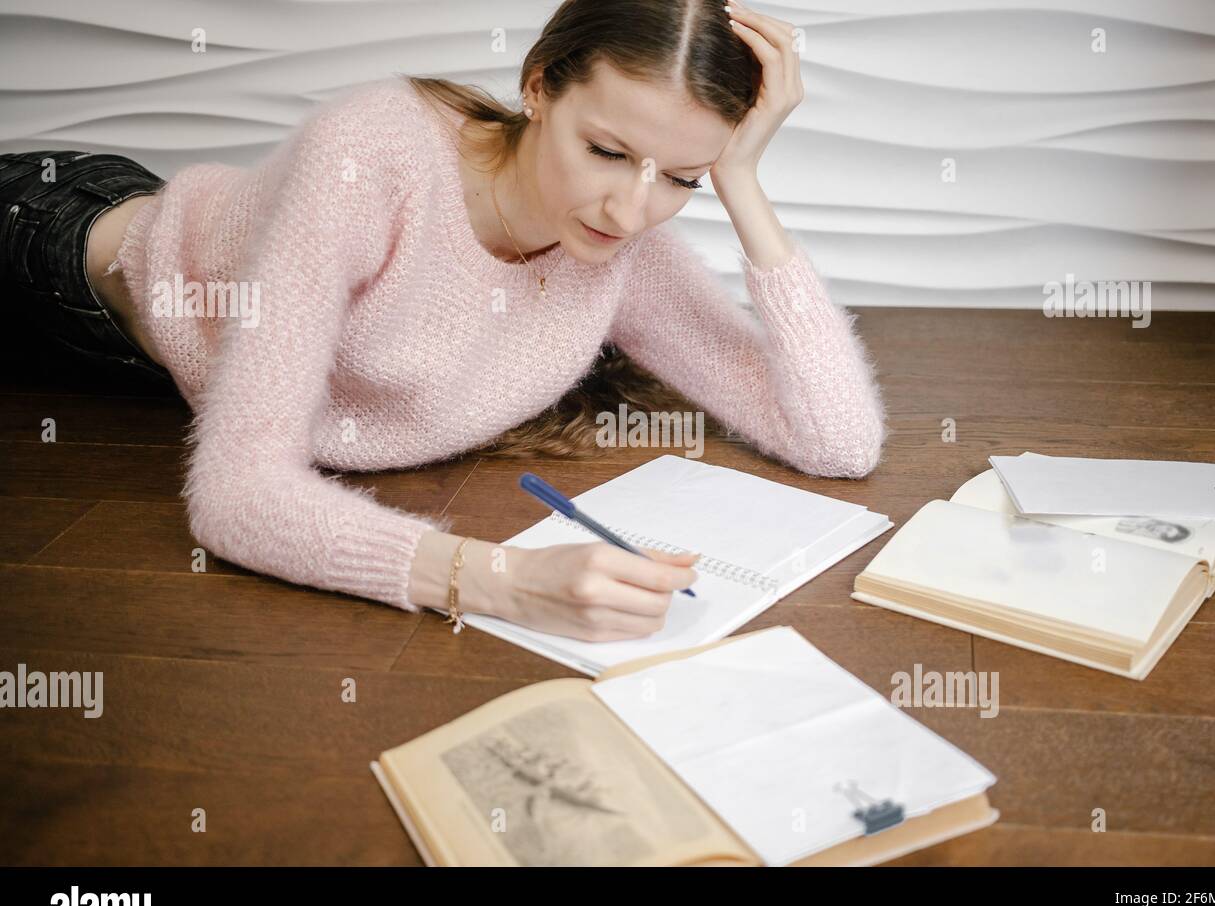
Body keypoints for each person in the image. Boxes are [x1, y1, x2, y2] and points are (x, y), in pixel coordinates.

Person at [0, 0, 887, 643]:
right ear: (539, 85)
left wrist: (742, 187)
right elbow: (234, 498)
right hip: (60, 260)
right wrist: (498, 581)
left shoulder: (624, 248)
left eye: (682, 177)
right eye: (606, 151)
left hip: (159, 365)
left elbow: (839, 444)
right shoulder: (372, 155)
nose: (629, 208)